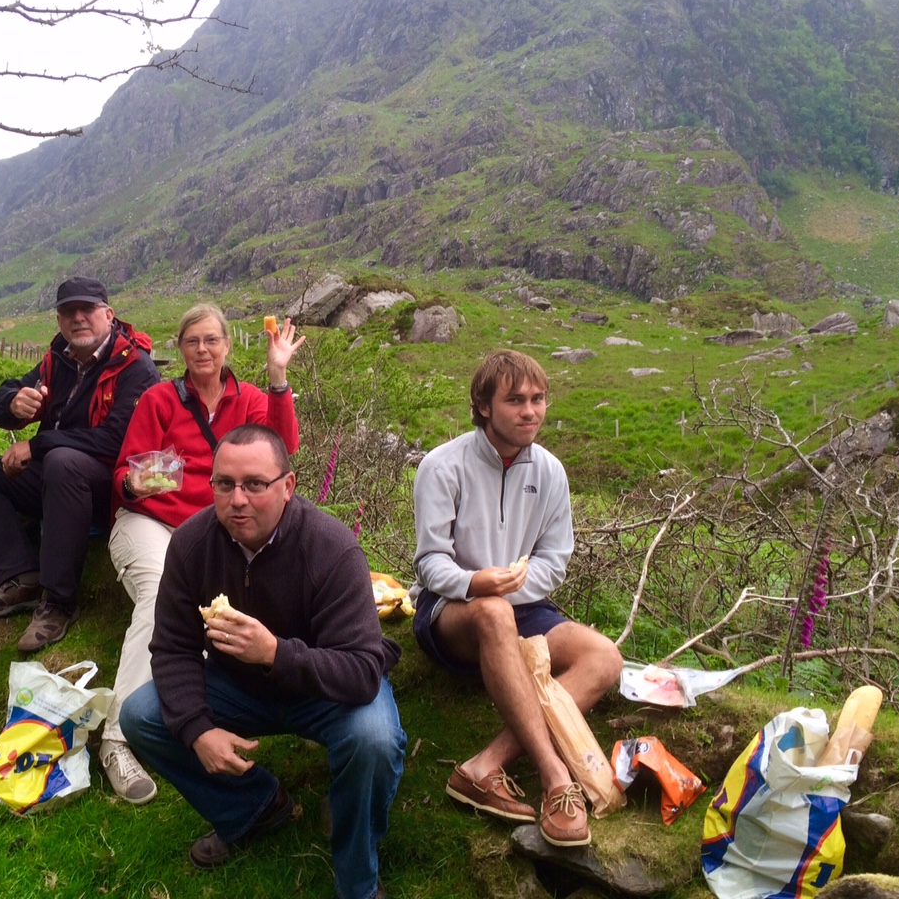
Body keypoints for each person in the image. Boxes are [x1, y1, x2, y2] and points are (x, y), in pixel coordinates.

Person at [122, 424, 404, 899]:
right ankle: (255, 810)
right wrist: (198, 729)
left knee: (374, 739)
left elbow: (360, 671)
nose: (238, 500)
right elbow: (173, 649)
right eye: (225, 484)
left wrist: (274, 652)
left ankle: (358, 880)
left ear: (288, 487)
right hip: (239, 688)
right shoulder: (192, 545)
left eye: (255, 484)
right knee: (141, 714)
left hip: (326, 693)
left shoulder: (332, 549)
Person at [410, 350, 622, 848]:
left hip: (521, 604)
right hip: (451, 608)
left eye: (538, 399)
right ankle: (555, 777)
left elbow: (554, 557)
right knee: (492, 612)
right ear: (484, 406)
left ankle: (486, 765)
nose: (530, 411)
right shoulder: (443, 466)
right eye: (515, 401)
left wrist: (511, 586)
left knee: (605, 657)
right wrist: (475, 584)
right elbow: (429, 562)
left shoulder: (550, 472)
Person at [98, 304, 303, 805]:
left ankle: (199, 717)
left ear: (228, 345)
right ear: (180, 349)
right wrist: (141, 479)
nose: (203, 350)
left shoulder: (251, 399)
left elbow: (282, 448)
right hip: (151, 522)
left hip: (215, 529)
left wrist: (278, 377)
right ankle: (117, 740)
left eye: (212, 340)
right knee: (159, 592)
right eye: (193, 341)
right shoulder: (159, 399)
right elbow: (124, 478)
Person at [0, 276, 160, 651]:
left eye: (87, 309)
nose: (78, 318)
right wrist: (12, 403)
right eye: (67, 311)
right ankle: (20, 576)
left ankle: (58, 602)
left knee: (63, 462)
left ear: (108, 315)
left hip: (106, 488)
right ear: (59, 321)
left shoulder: (136, 368)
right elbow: (4, 398)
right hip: (55, 478)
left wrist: (39, 444)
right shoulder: (58, 358)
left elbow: (116, 440)